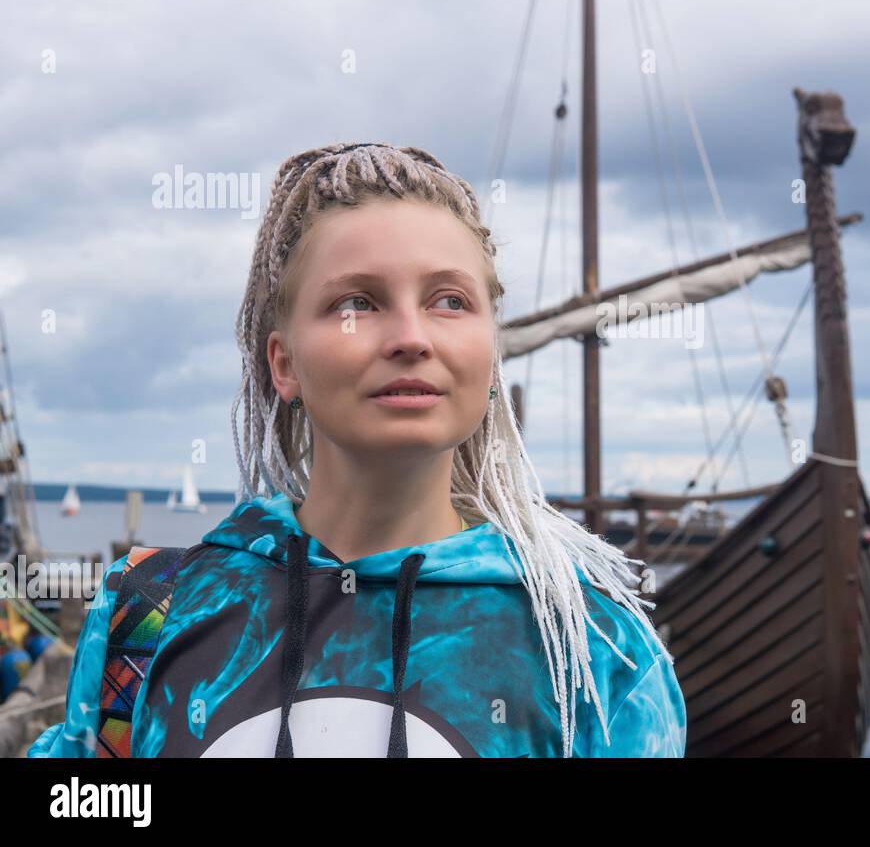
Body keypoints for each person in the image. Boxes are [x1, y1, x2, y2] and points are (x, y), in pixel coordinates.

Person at [28, 143, 686, 758]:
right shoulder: (149, 614)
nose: (410, 337)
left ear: (490, 357)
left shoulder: (592, 649)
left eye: (449, 301)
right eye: (358, 303)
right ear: (284, 365)